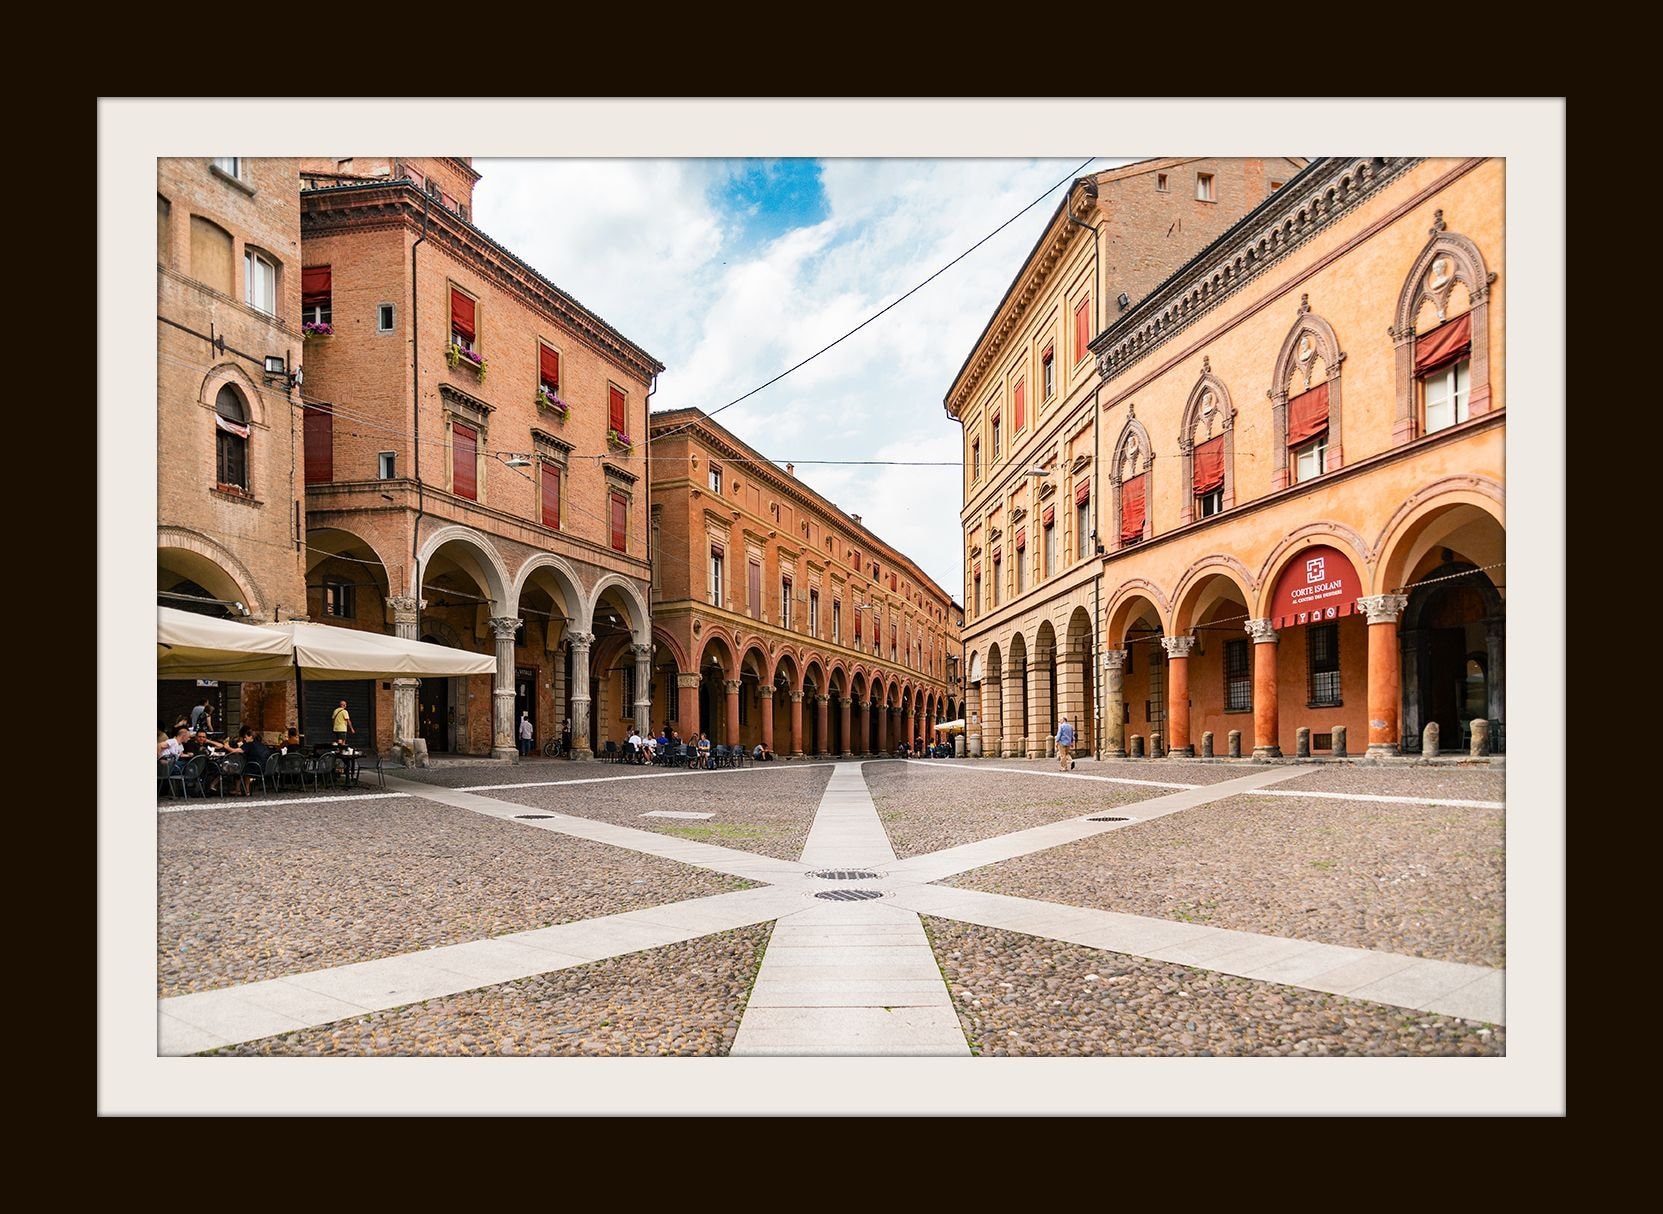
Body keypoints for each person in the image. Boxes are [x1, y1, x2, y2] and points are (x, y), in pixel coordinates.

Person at [239, 726, 272, 796]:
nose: (244, 739)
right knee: (246, 766)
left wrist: (227, 747)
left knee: (242, 769)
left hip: (257, 768)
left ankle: (246, 791)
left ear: (250, 737)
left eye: (246, 737)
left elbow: (237, 751)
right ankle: (241, 789)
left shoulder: (249, 745)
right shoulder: (261, 744)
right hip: (266, 768)